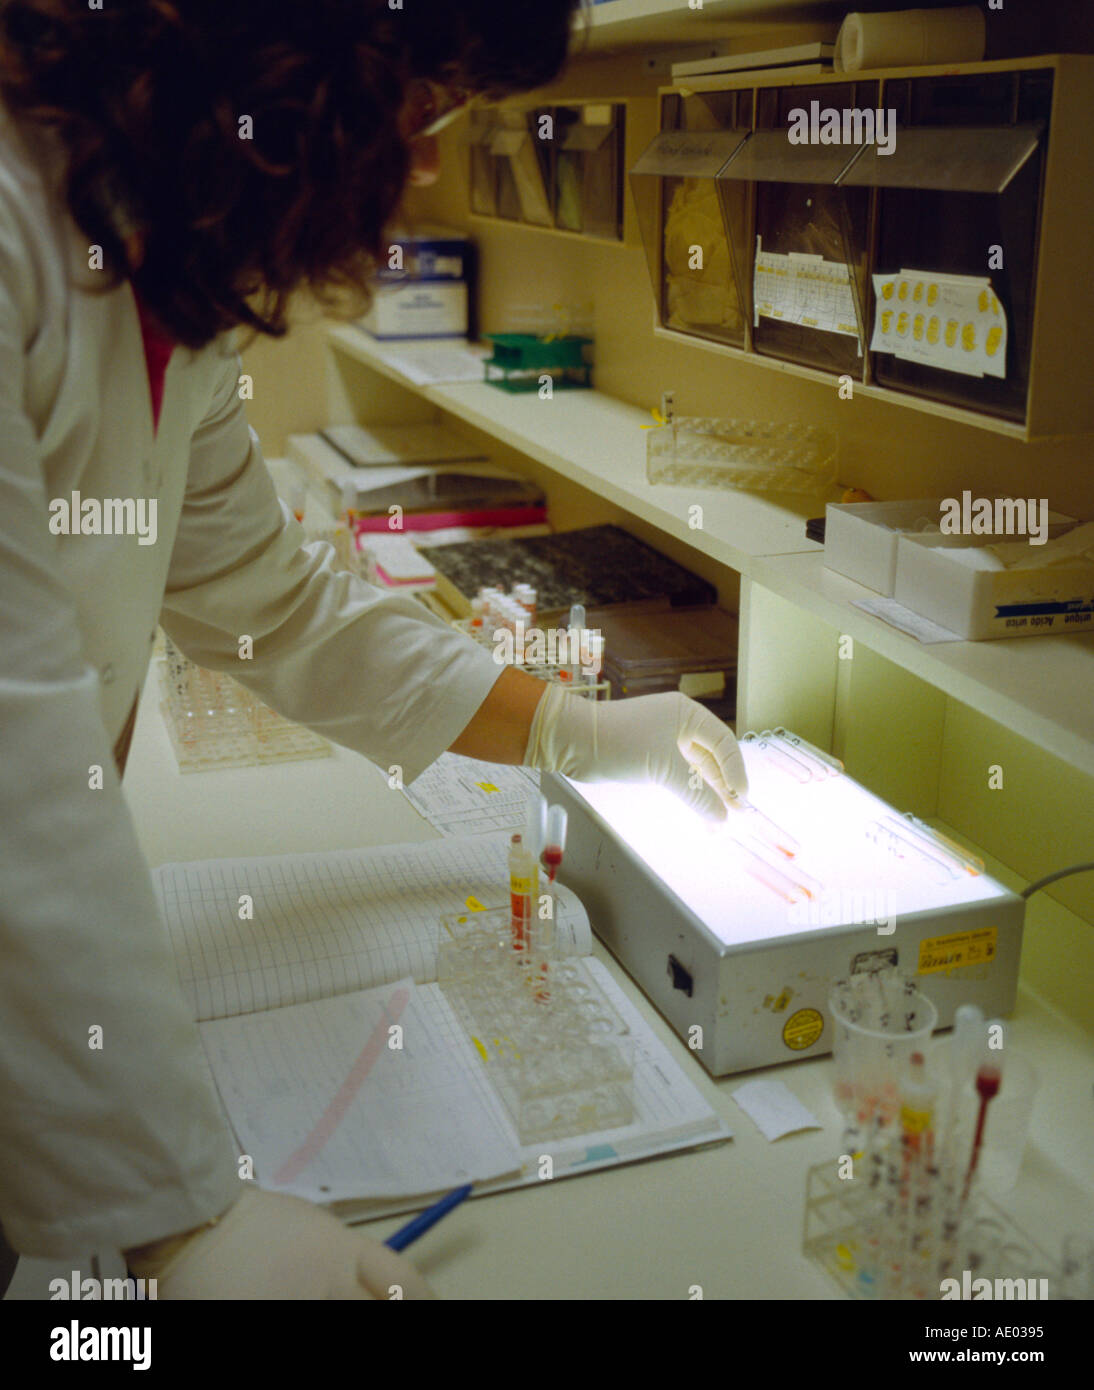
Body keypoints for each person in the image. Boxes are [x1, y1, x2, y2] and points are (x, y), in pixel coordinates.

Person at [0, 0, 747, 1299]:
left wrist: (563, 727)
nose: (416, 164)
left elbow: (272, 601)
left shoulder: (159, 253)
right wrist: (184, 1214)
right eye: (416, 108)